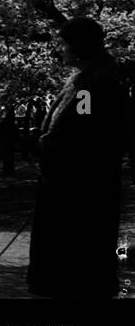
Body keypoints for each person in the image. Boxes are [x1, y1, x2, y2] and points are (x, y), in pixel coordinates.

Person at [27, 17, 128, 298]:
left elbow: (83, 135)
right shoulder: (85, 83)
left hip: (79, 193)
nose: (61, 50)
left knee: (75, 269)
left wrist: (48, 144)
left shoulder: (92, 87)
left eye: (64, 44)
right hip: (69, 187)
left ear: (78, 47)